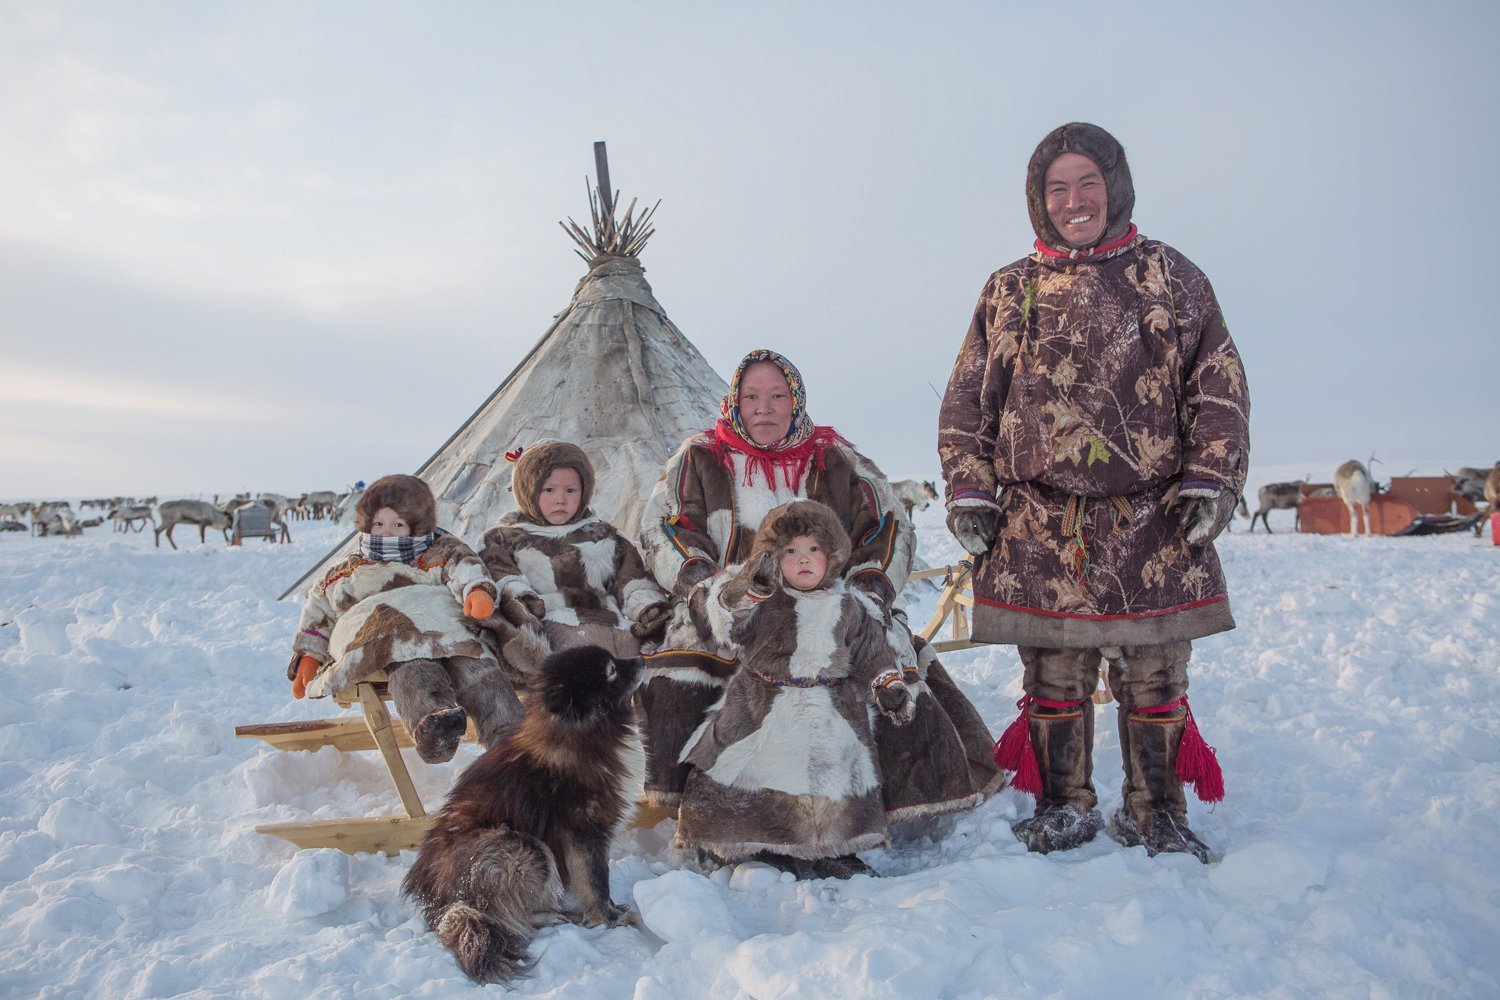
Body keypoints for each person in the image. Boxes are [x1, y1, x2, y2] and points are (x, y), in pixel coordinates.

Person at [938, 122, 1250, 862]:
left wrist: (1212, 478)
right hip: (1042, 521)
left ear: (1115, 187)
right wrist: (969, 489)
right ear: (1037, 200)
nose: (1074, 200)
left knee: (1155, 678)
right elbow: (967, 400)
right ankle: (1062, 806)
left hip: (1154, 518)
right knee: (1054, 674)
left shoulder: (1171, 277)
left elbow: (1219, 383)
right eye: (1057, 188)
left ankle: (1157, 811)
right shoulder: (1009, 287)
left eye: (1087, 184)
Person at [639, 348, 1000, 825]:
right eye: (752, 397)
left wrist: (865, 594)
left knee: (880, 648)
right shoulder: (700, 458)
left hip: (829, 607)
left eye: (776, 396)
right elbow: (665, 529)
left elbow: (887, 529)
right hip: (736, 609)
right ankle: (718, 805)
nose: (764, 408)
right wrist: (712, 590)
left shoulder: (836, 461)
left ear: (796, 400)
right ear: (735, 402)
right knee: (689, 658)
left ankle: (881, 801)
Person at [674, 500, 916, 879]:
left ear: (833, 555)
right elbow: (728, 619)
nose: (803, 560)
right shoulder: (764, 599)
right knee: (753, 776)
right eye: (790, 551)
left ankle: (831, 848)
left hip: (830, 705)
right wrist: (748, 585)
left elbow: (873, 651)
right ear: (772, 557)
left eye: (814, 550)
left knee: (831, 781)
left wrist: (888, 683)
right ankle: (755, 843)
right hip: (762, 704)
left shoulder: (849, 605)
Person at [287, 474, 524, 763]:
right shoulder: (351, 569)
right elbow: (320, 608)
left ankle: (513, 739)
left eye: (397, 524)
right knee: (412, 672)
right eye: (379, 524)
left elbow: (466, 568)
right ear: (366, 524)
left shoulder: (439, 551)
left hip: (451, 636)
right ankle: (434, 725)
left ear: (416, 525)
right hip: (396, 641)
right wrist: (309, 656)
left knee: (480, 671)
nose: (386, 533)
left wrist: (477, 591)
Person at [477, 441, 672, 673]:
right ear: (527, 490)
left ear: (585, 491)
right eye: (549, 490)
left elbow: (630, 580)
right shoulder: (503, 538)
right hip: (552, 624)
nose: (561, 499)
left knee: (652, 659)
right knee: (582, 661)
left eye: (570, 491)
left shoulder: (605, 535)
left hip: (614, 622)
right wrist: (523, 602)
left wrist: (646, 608)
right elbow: (504, 577)